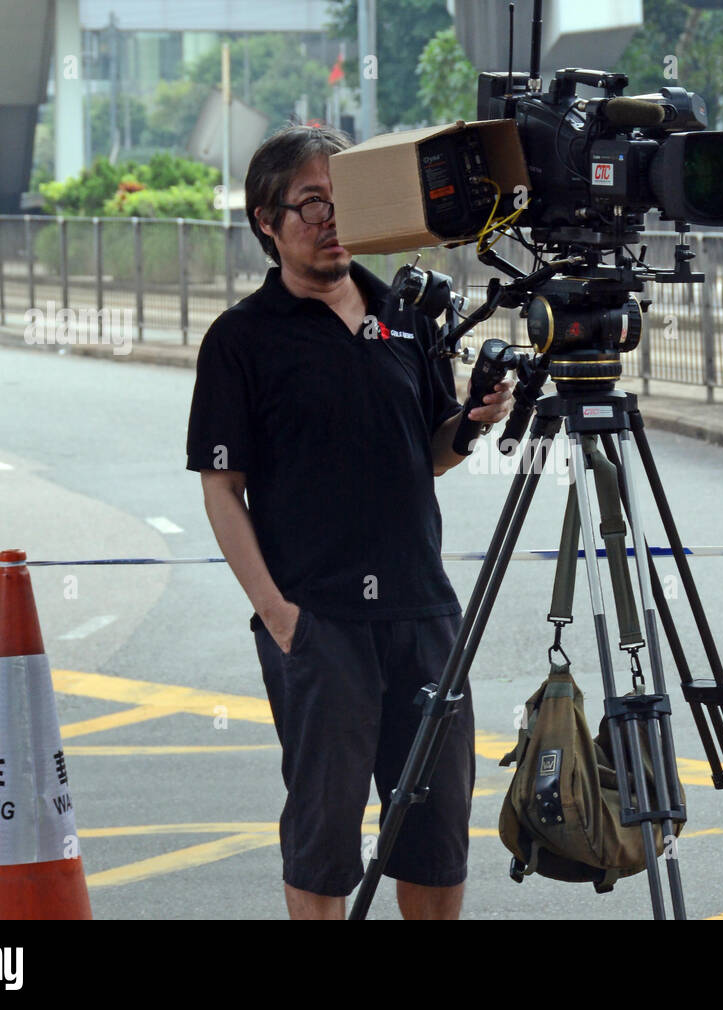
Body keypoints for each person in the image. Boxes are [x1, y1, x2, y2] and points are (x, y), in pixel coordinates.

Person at [186, 123, 514, 920]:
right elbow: (222, 488)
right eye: (309, 205)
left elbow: (431, 453)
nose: (330, 221)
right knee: (325, 840)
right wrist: (278, 613)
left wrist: (471, 422)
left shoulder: (405, 318)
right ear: (267, 222)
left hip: (424, 611)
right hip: (319, 619)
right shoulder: (241, 340)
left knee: (435, 835)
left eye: (343, 202)